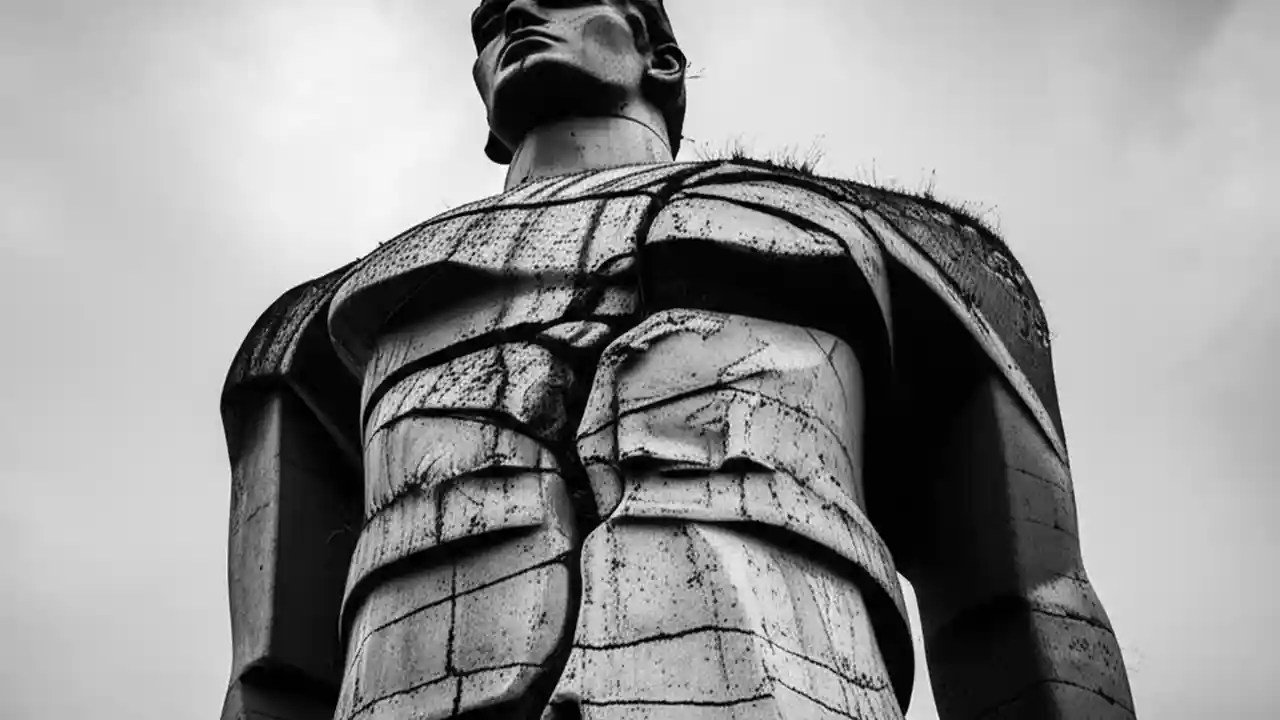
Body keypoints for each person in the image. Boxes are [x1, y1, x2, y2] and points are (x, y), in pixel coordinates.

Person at [220, 2, 1136, 718]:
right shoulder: (313, 333)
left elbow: (1025, 603)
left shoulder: (906, 251)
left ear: (660, 58)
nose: (518, 17)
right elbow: (275, 674)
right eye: (489, 21)